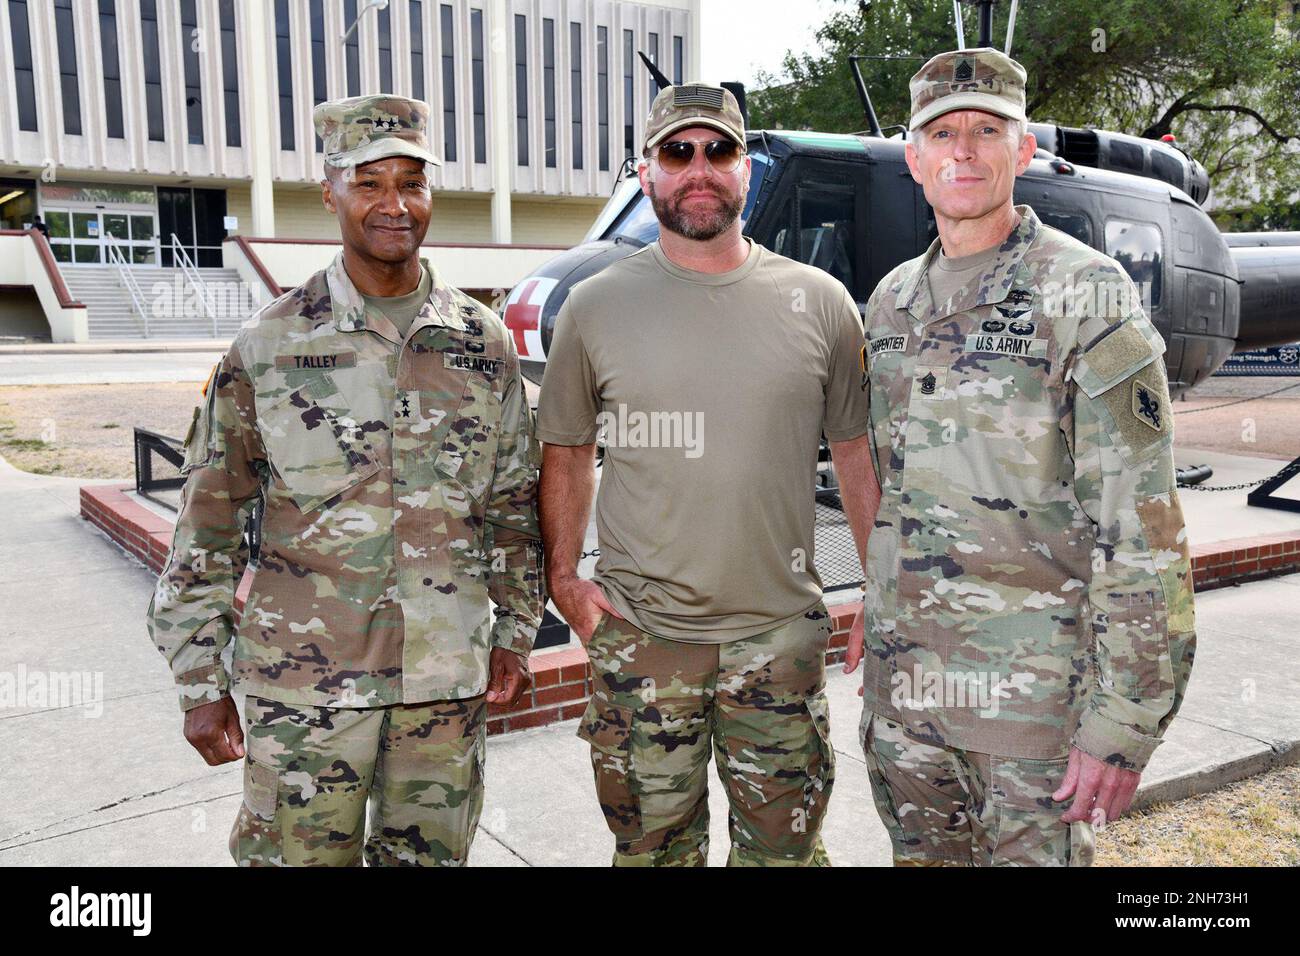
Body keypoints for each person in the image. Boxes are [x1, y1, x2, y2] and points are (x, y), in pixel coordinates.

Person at [146, 94, 543, 866]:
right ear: (329, 191)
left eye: (412, 183)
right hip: (307, 696)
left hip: (443, 688)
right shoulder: (269, 344)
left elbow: (513, 506)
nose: (395, 205)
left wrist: (517, 636)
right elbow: (207, 527)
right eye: (369, 183)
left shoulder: (480, 342)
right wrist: (200, 681)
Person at [844, 48, 1196, 866]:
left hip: (1031, 722)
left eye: (986, 130)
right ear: (915, 158)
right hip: (907, 707)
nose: (963, 150)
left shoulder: (1088, 296)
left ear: (1024, 148)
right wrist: (876, 593)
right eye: (942, 132)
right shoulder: (891, 302)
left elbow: (1141, 523)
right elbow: (894, 484)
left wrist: (1127, 720)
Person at [537, 83, 879, 866]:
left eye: (719, 150)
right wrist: (564, 579)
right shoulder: (593, 308)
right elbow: (566, 451)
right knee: (654, 854)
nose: (700, 169)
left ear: (746, 170)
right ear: (645, 172)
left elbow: (857, 455)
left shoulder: (821, 303)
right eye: (677, 152)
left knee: (784, 858)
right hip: (643, 642)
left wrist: (881, 584)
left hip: (779, 645)